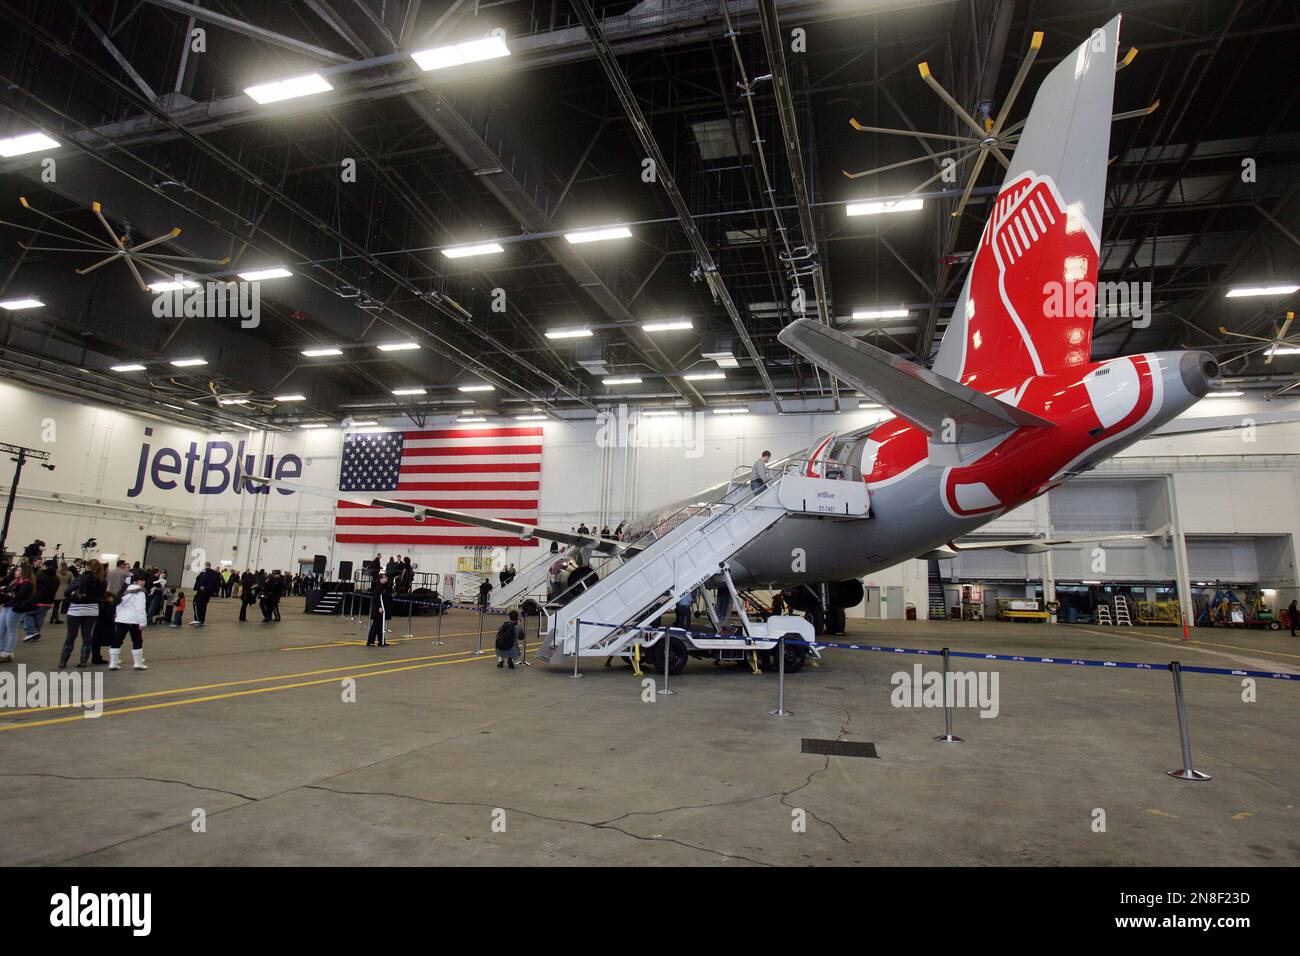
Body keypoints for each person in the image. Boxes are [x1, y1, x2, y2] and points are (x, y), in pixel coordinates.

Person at [59, 560, 106, 668]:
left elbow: (67, 591)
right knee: (86, 636)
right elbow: (102, 596)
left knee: (70, 636)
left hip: (76, 609)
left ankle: (63, 662)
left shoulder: (81, 578)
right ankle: (83, 661)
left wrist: (71, 596)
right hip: (92, 610)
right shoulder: (102, 580)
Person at [0, 565, 35, 663]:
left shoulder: (27, 583)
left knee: (11, 631)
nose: (16, 572)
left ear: (24, 572)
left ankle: (8, 652)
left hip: (16, 608)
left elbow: (18, 596)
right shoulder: (16, 581)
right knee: (1, 629)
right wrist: (7, 591)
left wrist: (9, 591)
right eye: (16, 570)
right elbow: (11, 594)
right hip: (8, 606)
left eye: (18, 570)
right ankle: (1, 650)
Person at [110, 580, 148, 671]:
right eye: (142, 580)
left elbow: (117, 606)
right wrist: (143, 622)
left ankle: (113, 663)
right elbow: (140, 608)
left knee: (117, 640)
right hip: (134, 620)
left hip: (121, 620)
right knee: (137, 641)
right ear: (137, 581)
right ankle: (138, 663)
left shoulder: (122, 591)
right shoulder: (140, 593)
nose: (144, 582)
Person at [26, 560, 59, 643]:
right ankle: (35, 634)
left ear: (47, 566)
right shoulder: (56, 578)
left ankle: (32, 632)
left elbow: (34, 586)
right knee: (40, 618)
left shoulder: (41, 575)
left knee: (28, 614)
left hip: (38, 599)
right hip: (48, 601)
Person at [367, 573, 392, 647]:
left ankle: (381, 641)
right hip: (378, 609)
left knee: (380, 626)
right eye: (385, 577)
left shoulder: (385, 586)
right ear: (381, 579)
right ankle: (370, 641)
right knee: (375, 626)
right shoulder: (378, 587)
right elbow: (376, 598)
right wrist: (379, 607)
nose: (386, 578)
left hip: (382, 608)